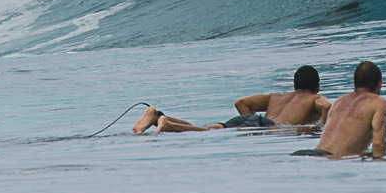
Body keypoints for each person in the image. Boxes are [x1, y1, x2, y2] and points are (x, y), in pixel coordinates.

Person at [131, 65, 331, 134]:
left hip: (256, 123)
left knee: (207, 129)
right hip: (263, 126)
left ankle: (158, 116)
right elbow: (326, 105)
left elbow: (241, 103)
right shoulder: (314, 98)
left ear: (294, 85)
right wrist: (321, 124)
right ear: (317, 87)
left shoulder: (276, 97)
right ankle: (167, 125)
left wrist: (251, 125)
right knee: (207, 132)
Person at [294, 60, 386, 158]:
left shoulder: (339, 101)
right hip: (331, 159)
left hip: (307, 153)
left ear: (354, 83)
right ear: (380, 83)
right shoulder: (379, 103)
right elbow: (379, 144)